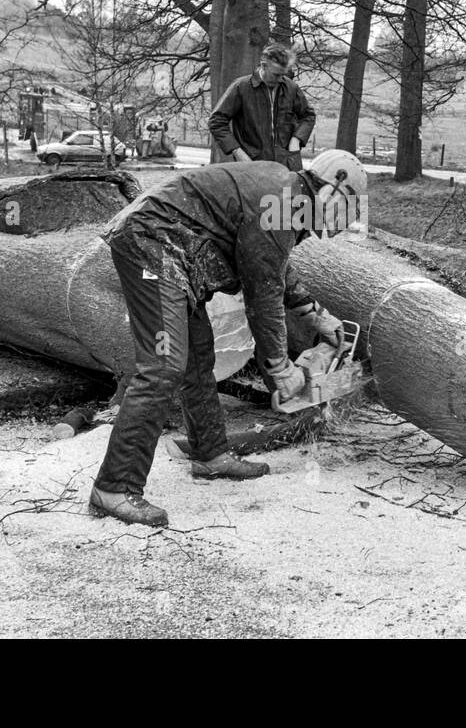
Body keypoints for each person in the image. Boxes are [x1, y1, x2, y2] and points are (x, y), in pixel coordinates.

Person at [88, 149, 369, 527]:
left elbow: (270, 267)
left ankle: (210, 455)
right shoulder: (282, 201)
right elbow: (263, 295)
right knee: (163, 366)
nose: (345, 220)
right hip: (152, 246)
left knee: (197, 356)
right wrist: (280, 368)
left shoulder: (286, 197)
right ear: (335, 192)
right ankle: (115, 487)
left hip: (173, 251)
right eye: (348, 208)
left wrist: (316, 316)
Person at [208, 43, 315, 171]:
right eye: (276, 74)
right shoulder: (241, 87)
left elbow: (308, 116)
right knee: (260, 192)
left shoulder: (291, 88)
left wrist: (296, 140)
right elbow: (216, 121)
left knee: (288, 192)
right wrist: (237, 152)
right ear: (264, 66)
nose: (280, 79)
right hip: (252, 167)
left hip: (288, 166)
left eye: (283, 74)